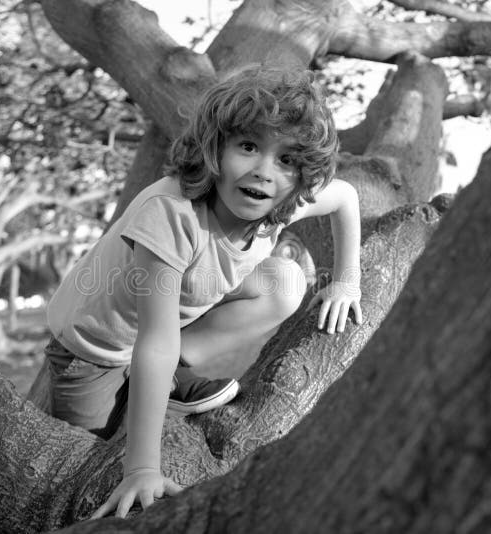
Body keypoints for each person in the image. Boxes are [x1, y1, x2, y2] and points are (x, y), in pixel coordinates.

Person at [44, 65, 363, 519]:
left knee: (286, 282)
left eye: (287, 160)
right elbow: (155, 342)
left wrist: (347, 281)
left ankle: (169, 379)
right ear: (215, 146)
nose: (264, 171)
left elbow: (346, 197)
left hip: (171, 320)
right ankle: (144, 392)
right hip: (93, 350)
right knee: (89, 469)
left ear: (302, 174)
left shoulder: (278, 202)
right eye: (248, 146)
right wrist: (143, 469)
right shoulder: (172, 214)